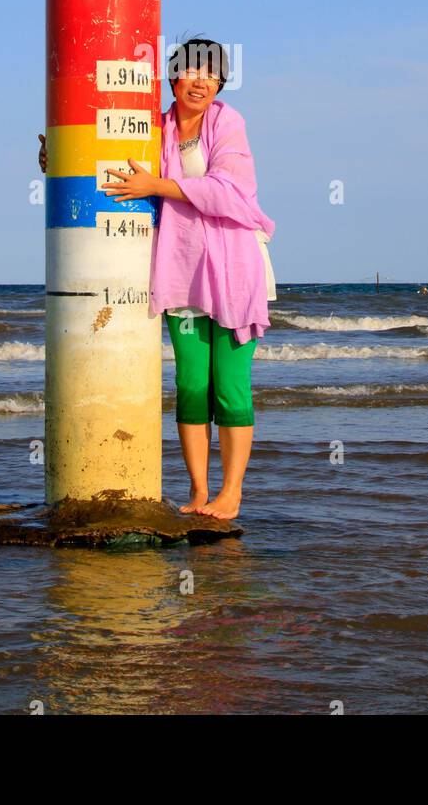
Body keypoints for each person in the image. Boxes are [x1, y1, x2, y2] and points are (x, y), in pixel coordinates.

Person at [101, 38, 275, 521]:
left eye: (211, 74)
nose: (200, 81)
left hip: (236, 269)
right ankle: (199, 492)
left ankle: (232, 493)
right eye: (190, 71)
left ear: (220, 82)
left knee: (229, 387)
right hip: (181, 269)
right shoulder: (157, 128)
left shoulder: (227, 123)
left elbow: (228, 190)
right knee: (193, 385)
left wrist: (157, 186)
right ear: (173, 78)